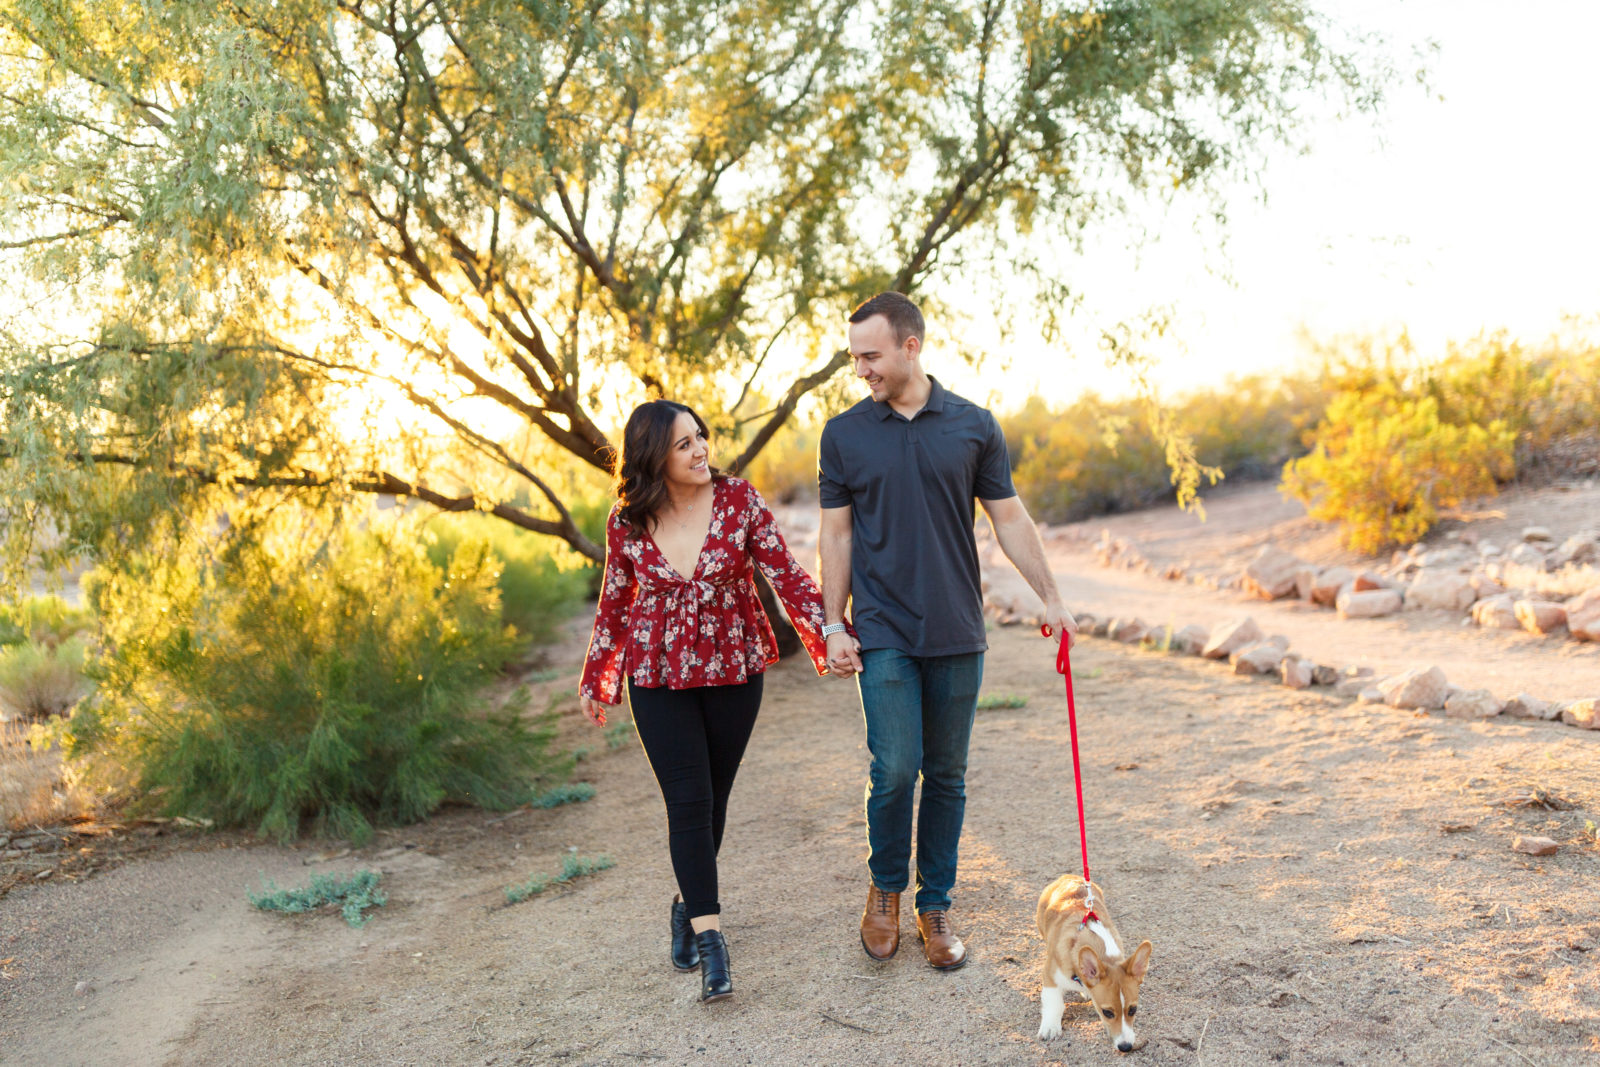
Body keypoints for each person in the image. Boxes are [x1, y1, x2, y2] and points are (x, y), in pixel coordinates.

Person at [818, 292, 1078, 970]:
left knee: (949, 773)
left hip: (958, 626)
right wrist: (831, 622)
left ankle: (935, 905)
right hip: (882, 630)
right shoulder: (843, 434)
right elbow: (836, 533)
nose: (861, 370)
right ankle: (885, 890)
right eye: (855, 358)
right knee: (896, 766)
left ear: (911, 347)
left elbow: (1010, 517)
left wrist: (1050, 595)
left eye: (870, 356)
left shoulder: (972, 425)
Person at [579, 399, 851, 1003]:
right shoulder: (627, 519)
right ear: (654, 457)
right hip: (656, 674)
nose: (701, 449)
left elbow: (786, 574)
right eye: (683, 444)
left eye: (701, 437)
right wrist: (598, 676)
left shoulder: (739, 501)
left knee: (713, 801)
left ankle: (685, 903)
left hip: (732, 668)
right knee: (688, 802)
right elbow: (615, 603)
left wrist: (829, 632)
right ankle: (712, 942)